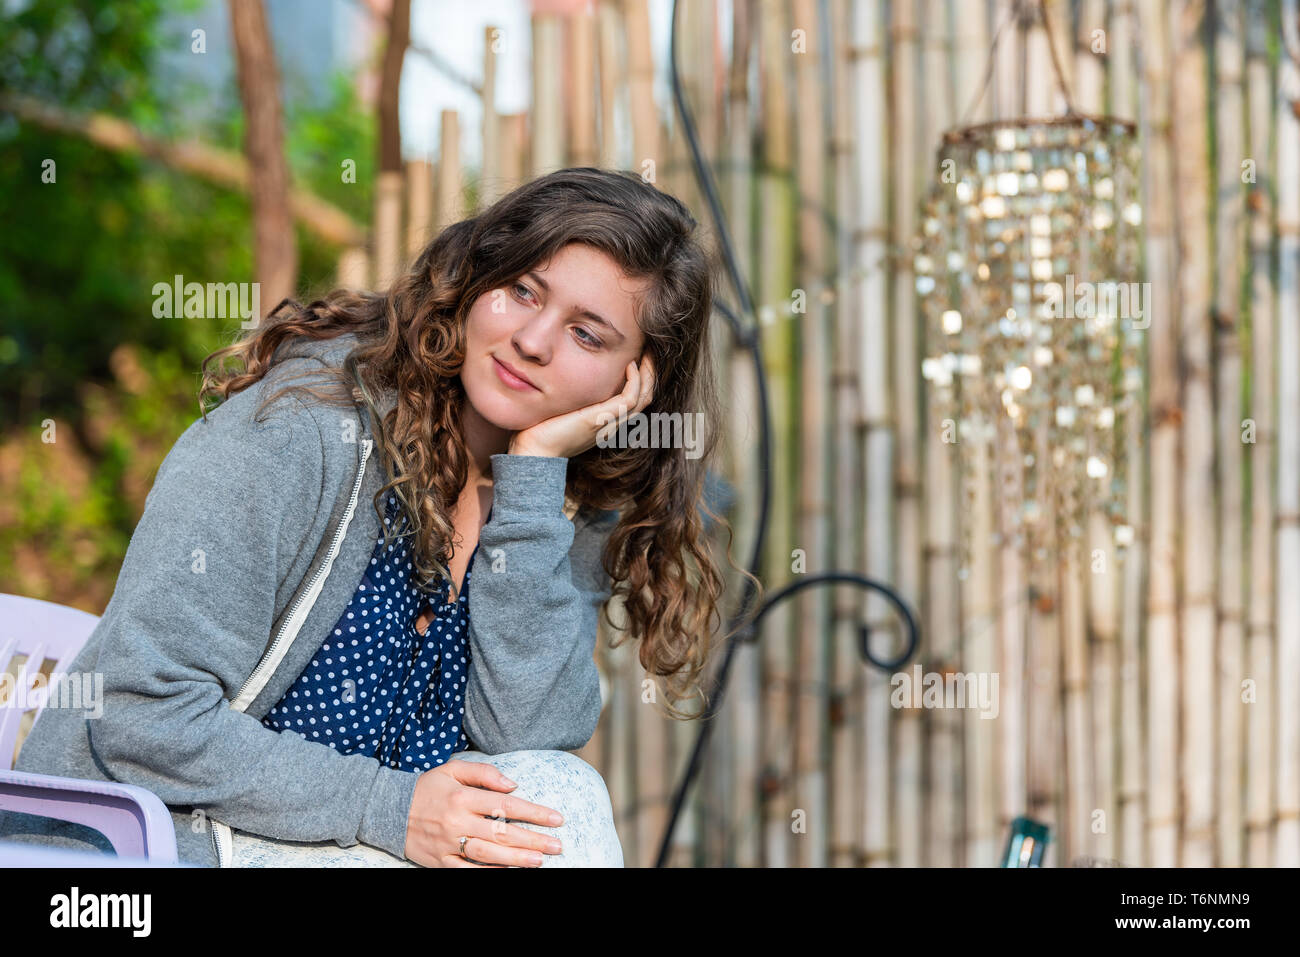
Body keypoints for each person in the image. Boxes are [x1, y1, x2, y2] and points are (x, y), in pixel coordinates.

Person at [0, 167, 753, 867]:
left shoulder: (562, 497)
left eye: (587, 334)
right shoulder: (303, 428)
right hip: (155, 840)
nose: (532, 340)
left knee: (565, 796)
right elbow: (139, 712)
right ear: (477, 273)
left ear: (634, 382)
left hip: (362, 848)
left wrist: (530, 480)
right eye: (523, 290)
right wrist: (389, 807)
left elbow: (526, 746)